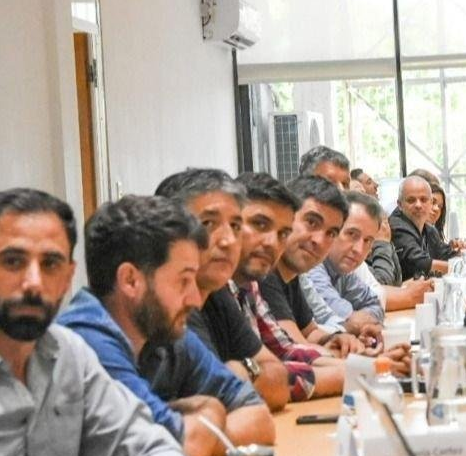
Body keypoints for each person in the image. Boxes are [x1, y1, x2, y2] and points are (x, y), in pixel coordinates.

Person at [58, 196, 273, 456]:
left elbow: (260, 417)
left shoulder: (164, 330)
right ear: (130, 280)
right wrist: (210, 411)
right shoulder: (85, 342)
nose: (195, 299)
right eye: (184, 281)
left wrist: (202, 429)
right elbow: (165, 446)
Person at [0, 188, 182, 455]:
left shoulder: (70, 354)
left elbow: (146, 442)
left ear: (68, 278)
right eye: (13, 261)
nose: (34, 283)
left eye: (50, 264)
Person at [154, 168, 289, 411]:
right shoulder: (163, 304)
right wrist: (243, 376)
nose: (228, 241)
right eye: (208, 224)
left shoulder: (217, 292)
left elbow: (279, 382)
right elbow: (212, 404)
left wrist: (242, 370)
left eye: (236, 226)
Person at [232, 172, 344, 401]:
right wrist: (360, 372)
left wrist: (365, 367)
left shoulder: (248, 284)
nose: (272, 242)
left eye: (282, 233)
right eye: (259, 224)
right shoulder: (259, 275)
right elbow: (251, 382)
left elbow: (283, 351)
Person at [259, 175, 365, 357]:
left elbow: (310, 332)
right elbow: (294, 348)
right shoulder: (265, 272)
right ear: (285, 218)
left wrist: (338, 339)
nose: (319, 240)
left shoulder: (292, 275)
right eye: (311, 222)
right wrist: (365, 363)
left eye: (331, 233)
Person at [307, 191, 385, 331]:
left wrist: (357, 320)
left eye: (367, 240)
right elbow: (339, 316)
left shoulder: (342, 270)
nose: (359, 249)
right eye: (351, 234)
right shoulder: (311, 265)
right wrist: (353, 320)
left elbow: (376, 304)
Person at [390, 176, 457, 280]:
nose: (418, 205)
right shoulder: (396, 226)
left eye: (423, 200)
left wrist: (464, 254)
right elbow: (420, 263)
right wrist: (459, 267)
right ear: (400, 205)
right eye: (411, 200)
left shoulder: (429, 230)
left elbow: (446, 254)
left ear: (430, 202)